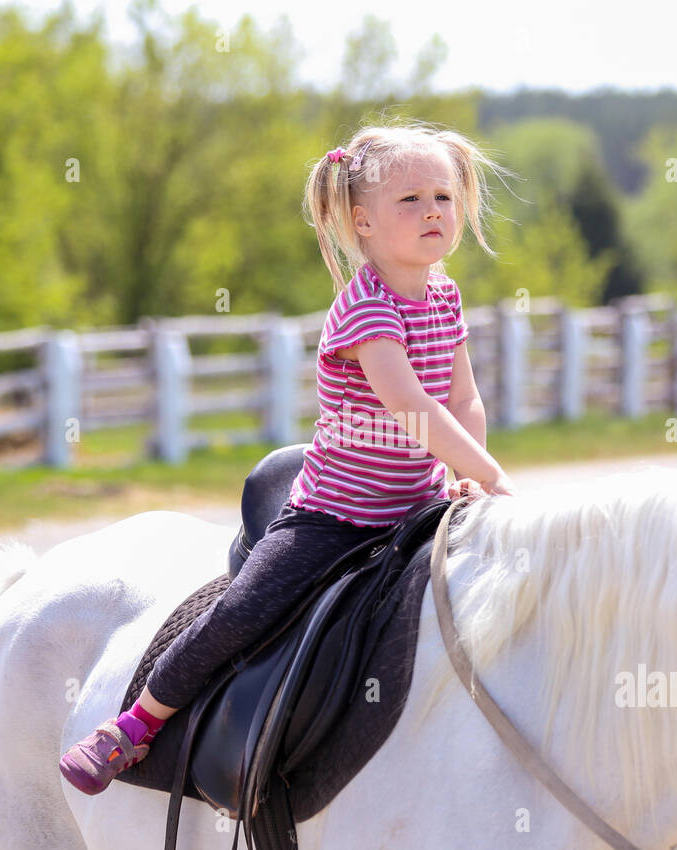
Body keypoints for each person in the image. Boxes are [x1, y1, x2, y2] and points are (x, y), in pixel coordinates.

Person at [60, 120, 518, 795]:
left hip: (417, 508)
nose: (432, 213)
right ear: (362, 223)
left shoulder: (445, 298)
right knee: (245, 610)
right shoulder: (366, 307)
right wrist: (493, 475)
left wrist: (462, 473)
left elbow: (463, 399)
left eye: (443, 198)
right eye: (410, 200)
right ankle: (131, 726)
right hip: (336, 515)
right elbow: (411, 404)